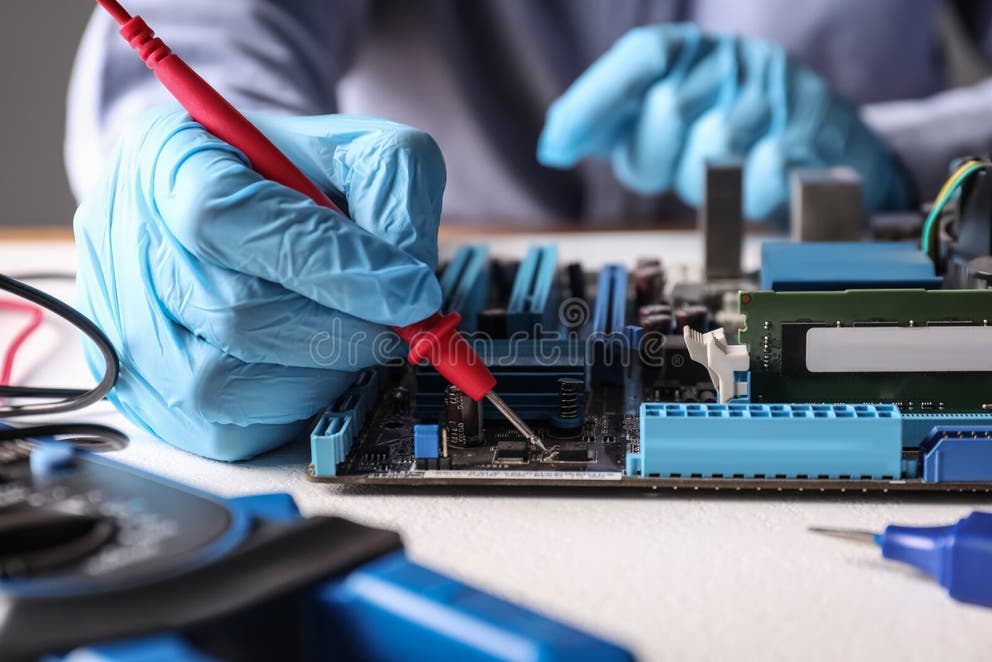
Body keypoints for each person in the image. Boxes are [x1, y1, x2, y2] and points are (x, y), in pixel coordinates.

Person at [66, 0, 992, 460]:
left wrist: (910, 159)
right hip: (396, 305)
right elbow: (210, 40)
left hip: (876, 229)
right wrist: (195, 211)